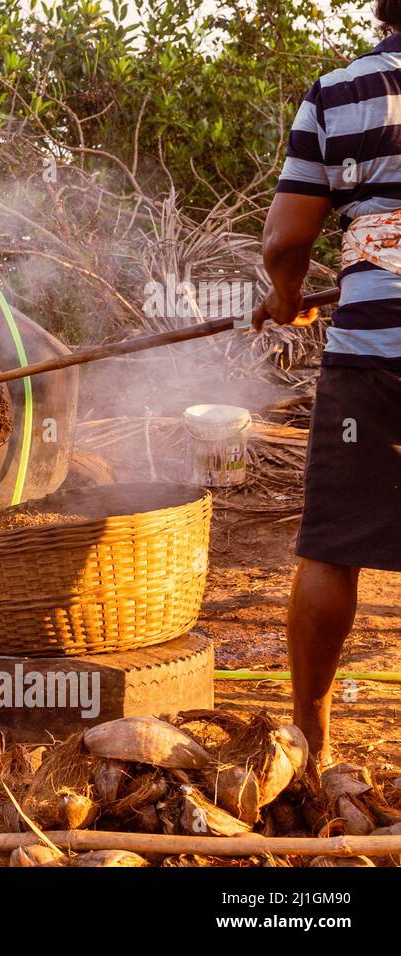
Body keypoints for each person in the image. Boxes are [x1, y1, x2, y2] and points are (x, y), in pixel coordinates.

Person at [254, 0, 401, 767]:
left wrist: (285, 298)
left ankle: (310, 737)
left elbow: (286, 239)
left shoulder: (342, 94)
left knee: (331, 548)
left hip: (374, 355)